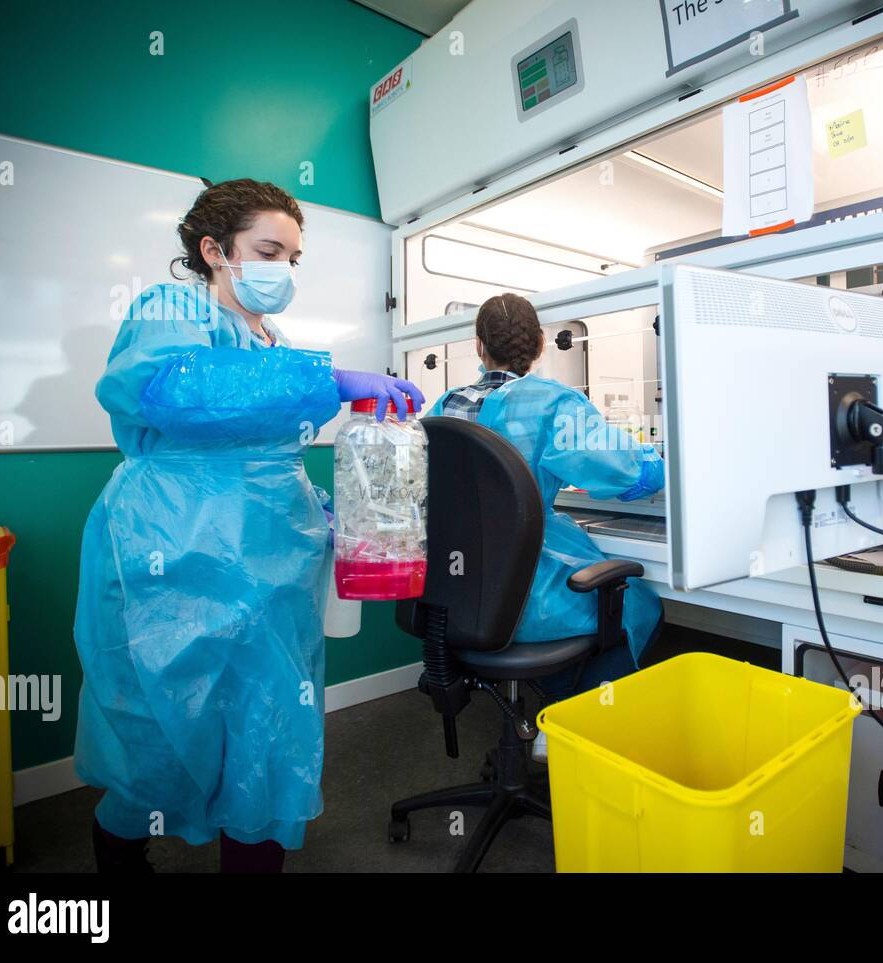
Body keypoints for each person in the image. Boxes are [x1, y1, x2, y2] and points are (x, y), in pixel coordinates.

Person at [74, 179, 423, 873]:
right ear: (214, 249)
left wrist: (320, 509)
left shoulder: (274, 339)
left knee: (267, 730)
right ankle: (122, 855)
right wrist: (331, 381)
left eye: (294, 257)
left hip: (271, 562)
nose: (283, 270)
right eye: (269, 250)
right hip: (171, 553)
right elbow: (171, 391)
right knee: (160, 728)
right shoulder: (172, 307)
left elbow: (269, 449)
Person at [430, 293, 665, 699]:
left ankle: (550, 706)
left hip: (457, 587)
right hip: (528, 591)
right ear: (539, 345)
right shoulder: (553, 403)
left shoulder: (443, 406)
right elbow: (623, 472)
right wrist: (658, 463)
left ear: (478, 347)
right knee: (638, 604)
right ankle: (567, 719)